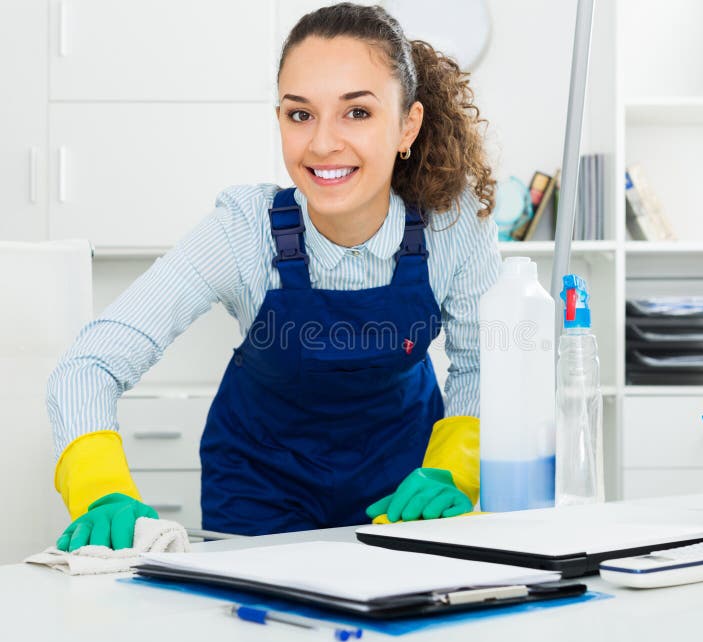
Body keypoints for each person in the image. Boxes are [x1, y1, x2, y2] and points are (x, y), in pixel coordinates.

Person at [48, 2, 501, 551]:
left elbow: (485, 366)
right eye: (300, 114)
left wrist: (455, 471)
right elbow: (88, 364)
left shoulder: (453, 227)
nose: (323, 143)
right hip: (257, 494)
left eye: (356, 112)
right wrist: (101, 490)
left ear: (408, 124)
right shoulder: (242, 232)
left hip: (404, 493)